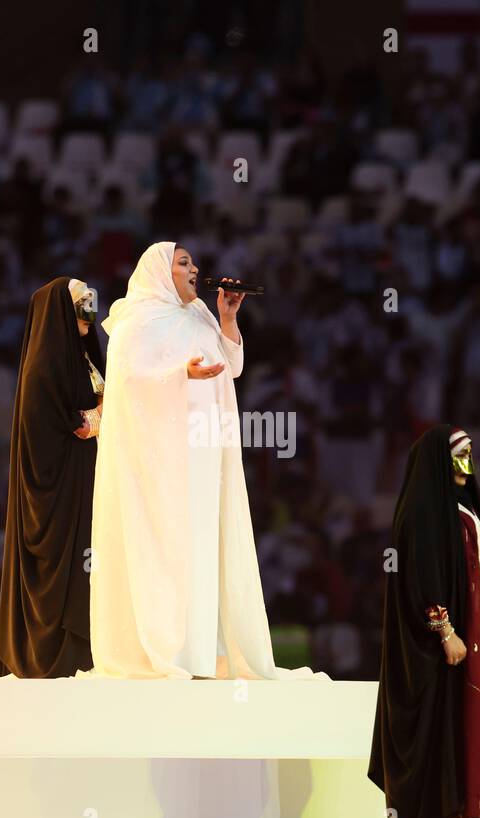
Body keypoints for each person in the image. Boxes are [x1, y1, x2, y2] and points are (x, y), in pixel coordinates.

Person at [85, 241, 322, 680]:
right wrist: (180, 375)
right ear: (159, 270)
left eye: (193, 261)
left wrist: (228, 317)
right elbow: (128, 383)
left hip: (204, 454)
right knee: (167, 544)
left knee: (203, 542)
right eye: (183, 262)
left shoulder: (198, 315)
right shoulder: (136, 321)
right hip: (159, 462)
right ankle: (166, 648)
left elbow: (231, 365)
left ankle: (203, 650)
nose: (195, 268)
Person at [369, 426, 480, 818]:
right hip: (439, 646)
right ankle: (432, 813)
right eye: (460, 452)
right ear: (440, 458)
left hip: (475, 640)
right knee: (438, 721)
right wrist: (444, 629)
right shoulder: (424, 512)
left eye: (472, 452)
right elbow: (423, 573)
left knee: (471, 717)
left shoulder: (467, 510)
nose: (468, 462)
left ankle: (469, 810)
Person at [0, 278, 105, 678]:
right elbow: (70, 425)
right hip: (59, 492)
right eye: (80, 305)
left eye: (90, 304)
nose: (88, 314)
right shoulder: (44, 364)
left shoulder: (84, 358)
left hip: (89, 479)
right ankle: (59, 656)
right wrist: (101, 415)